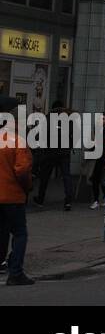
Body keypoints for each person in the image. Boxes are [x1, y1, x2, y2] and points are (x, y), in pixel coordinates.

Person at [0, 96, 35, 285]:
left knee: (1, 231)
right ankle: (15, 272)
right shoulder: (18, 141)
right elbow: (22, 170)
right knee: (20, 233)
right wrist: (27, 185)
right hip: (12, 195)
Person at [34, 101, 75, 211]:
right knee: (66, 176)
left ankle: (40, 199)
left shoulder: (48, 118)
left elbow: (39, 135)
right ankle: (68, 201)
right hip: (64, 152)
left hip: (50, 152)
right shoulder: (68, 118)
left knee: (45, 176)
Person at [88, 113, 105, 209]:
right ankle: (96, 200)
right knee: (95, 179)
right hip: (97, 158)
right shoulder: (96, 130)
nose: (101, 121)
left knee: (103, 180)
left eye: (103, 119)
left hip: (104, 158)